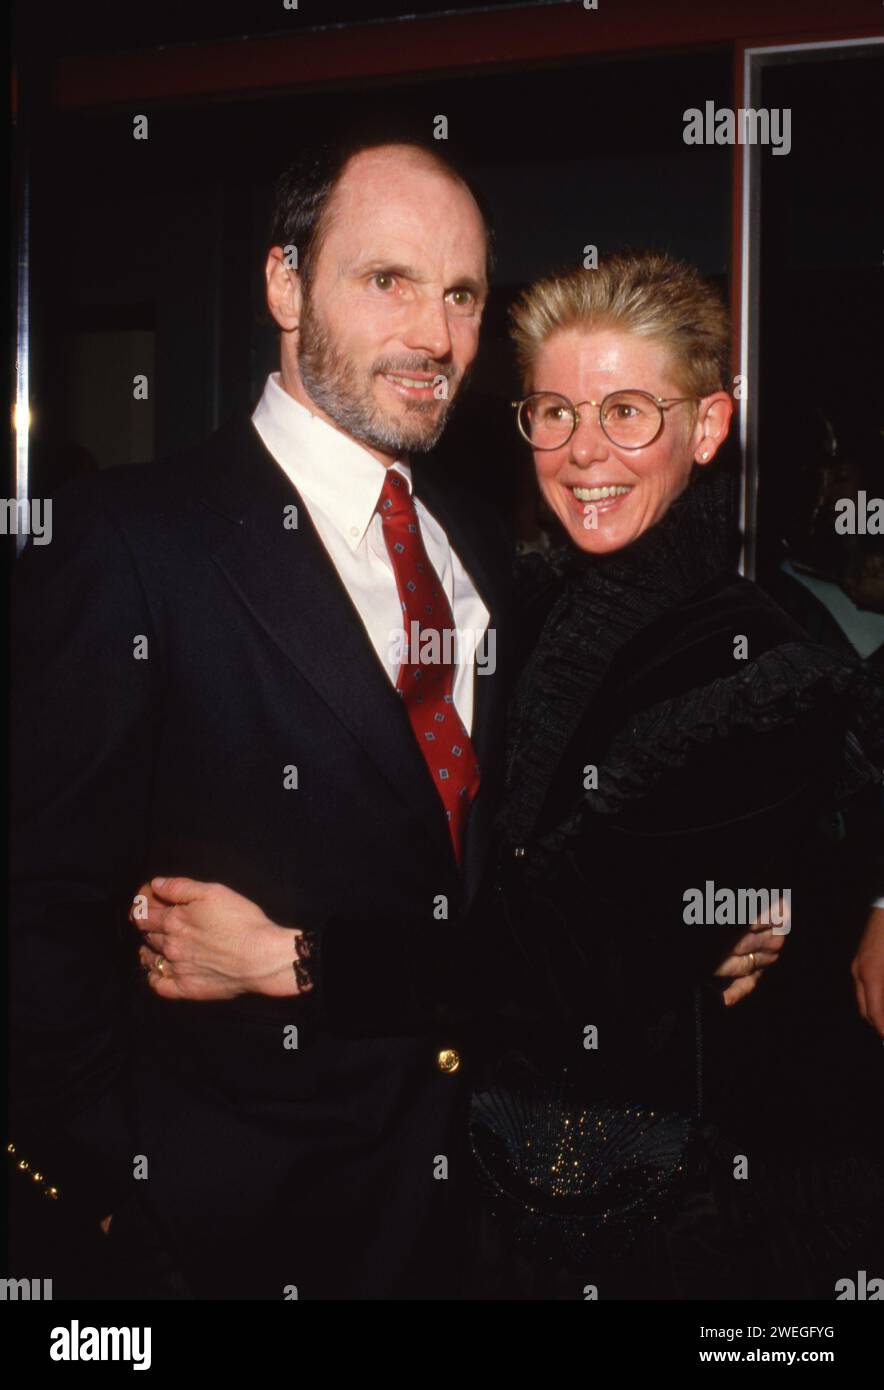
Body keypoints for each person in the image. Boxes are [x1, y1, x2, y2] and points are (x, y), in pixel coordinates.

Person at [10, 135, 513, 1300]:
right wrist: (121, 1196)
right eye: (386, 280)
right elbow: (35, 904)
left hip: (463, 1215)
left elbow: (487, 884)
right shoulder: (131, 542)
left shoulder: (480, 547)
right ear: (284, 285)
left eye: (461, 294)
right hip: (227, 1234)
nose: (434, 338)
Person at [465, 252, 884, 1299]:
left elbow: (562, 964)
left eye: (626, 412)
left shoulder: (755, 665)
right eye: (553, 411)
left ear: (705, 429)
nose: (581, 450)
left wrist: (301, 954)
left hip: (642, 1218)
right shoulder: (516, 609)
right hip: (481, 1184)